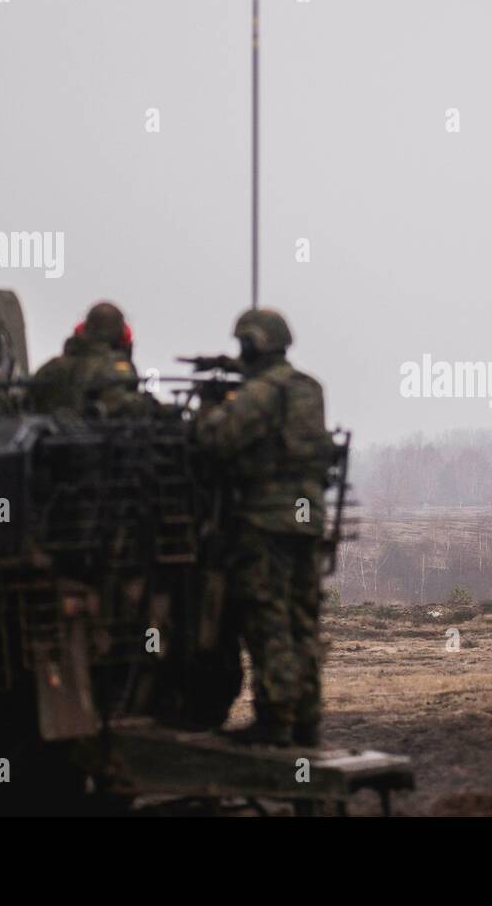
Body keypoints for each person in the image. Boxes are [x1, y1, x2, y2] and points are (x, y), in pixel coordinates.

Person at [194, 308, 335, 747]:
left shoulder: (261, 393)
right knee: (301, 623)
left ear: (253, 345)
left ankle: (275, 721)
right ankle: (306, 719)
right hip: (306, 519)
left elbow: (218, 441)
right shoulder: (307, 388)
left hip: (265, 523)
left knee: (267, 620)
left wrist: (210, 405)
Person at [30, 302, 149, 417]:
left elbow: (27, 400)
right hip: (102, 435)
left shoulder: (54, 366)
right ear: (122, 333)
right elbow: (123, 403)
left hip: (53, 434)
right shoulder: (116, 365)